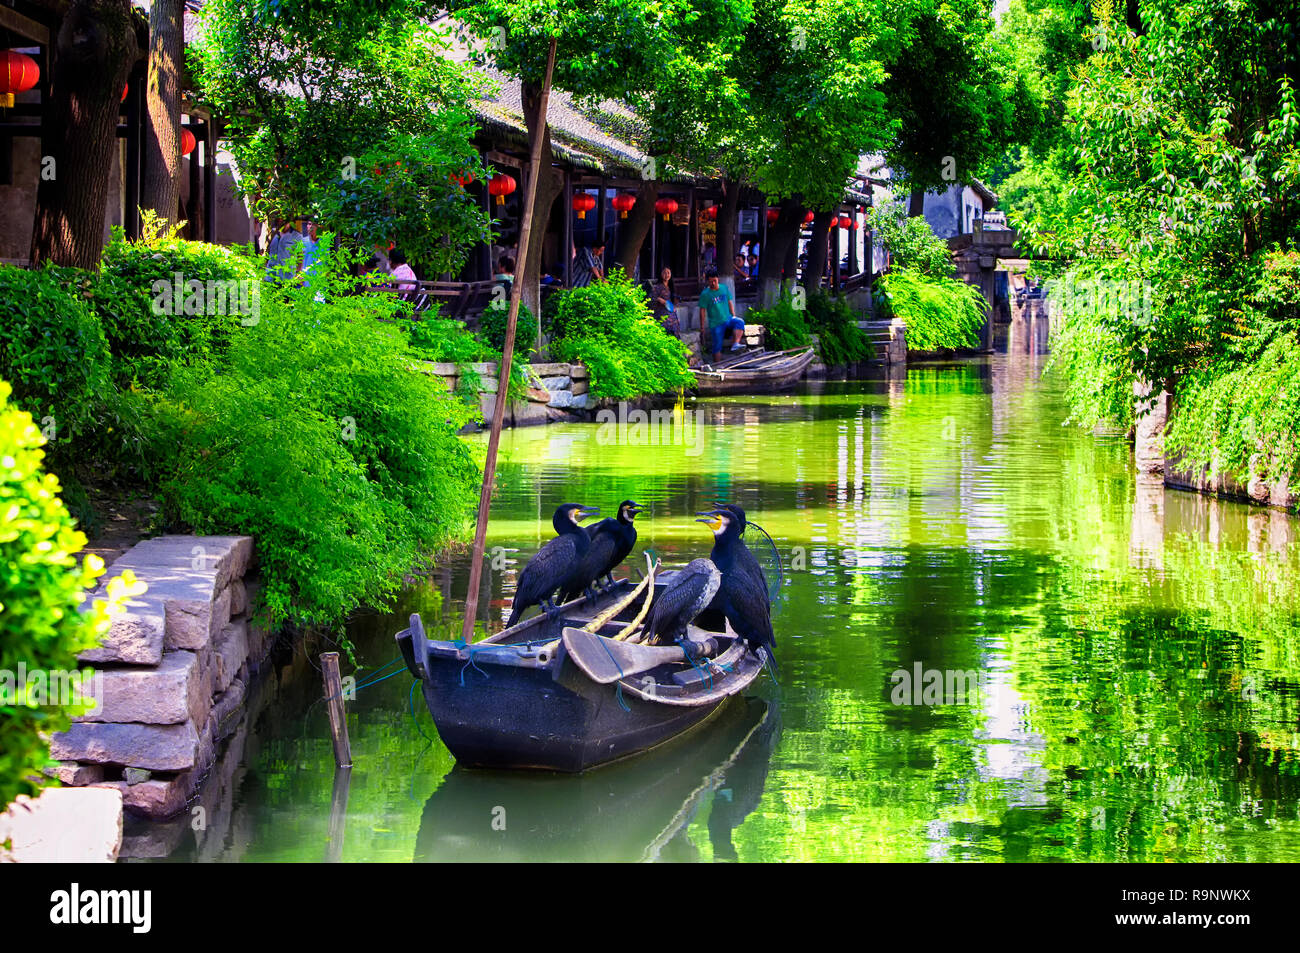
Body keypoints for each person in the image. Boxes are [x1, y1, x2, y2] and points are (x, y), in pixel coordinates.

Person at [698, 266, 745, 362]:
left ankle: (736, 344)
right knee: (717, 346)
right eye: (710, 281)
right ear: (707, 281)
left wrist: (733, 314)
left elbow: (729, 302)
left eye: (714, 280)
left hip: (728, 319)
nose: (713, 283)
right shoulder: (705, 294)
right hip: (716, 324)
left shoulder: (724, 288)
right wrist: (702, 327)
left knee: (740, 322)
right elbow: (702, 311)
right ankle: (718, 366)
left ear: (717, 279)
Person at [651, 267, 679, 334]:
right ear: (661, 274)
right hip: (661, 313)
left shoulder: (671, 286)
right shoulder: (657, 287)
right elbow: (651, 298)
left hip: (671, 312)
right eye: (664, 273)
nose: (666, 275)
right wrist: (659, 299)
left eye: (668, 273)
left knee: (675, 326)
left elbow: (673, 301)